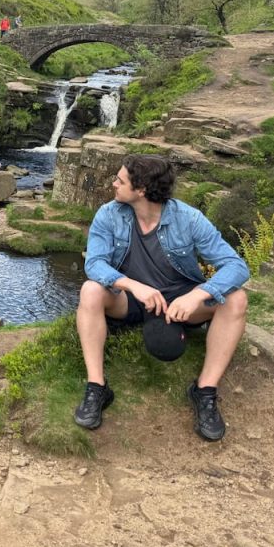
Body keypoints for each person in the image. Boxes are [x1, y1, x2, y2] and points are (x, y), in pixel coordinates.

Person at [74, 154, 249, 441]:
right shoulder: (108, 214)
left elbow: (236, 266)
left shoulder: (188, 219)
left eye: (119, 180)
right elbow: (94, 264)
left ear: (141, 190)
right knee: (90, 290)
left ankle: (204, 391)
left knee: (236, 299)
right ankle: (97, 387)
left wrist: (197, 295)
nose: (113, 183)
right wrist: (132, 285)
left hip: (180, 303)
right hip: (130, 298)